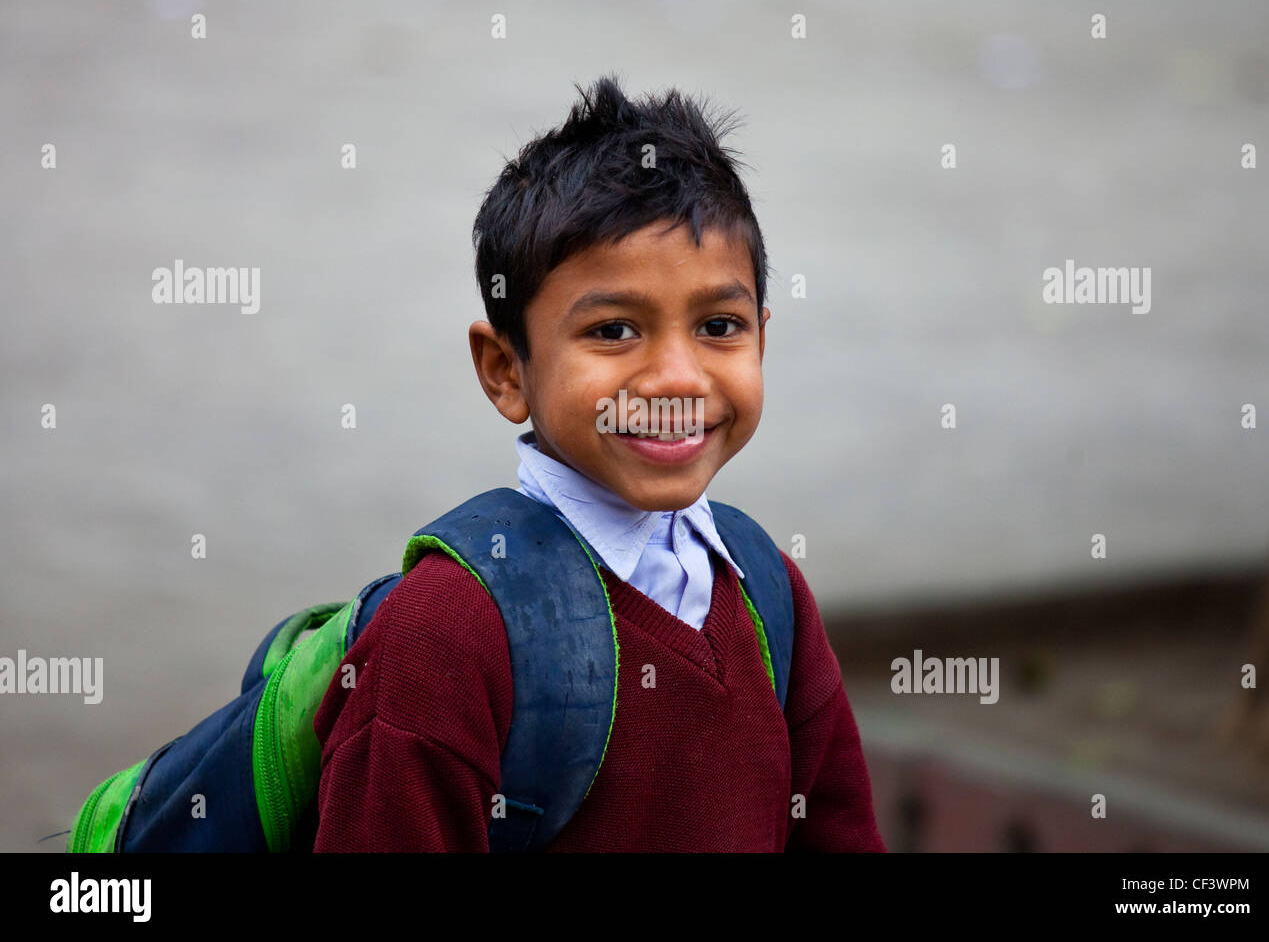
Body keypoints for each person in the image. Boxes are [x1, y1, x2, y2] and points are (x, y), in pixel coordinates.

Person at [312, 73, 886, 852]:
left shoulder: (768, 594)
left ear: (764, 334)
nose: (678, 377)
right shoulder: (445, 634)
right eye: (614, 331)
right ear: (505, 371)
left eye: (720, 324)